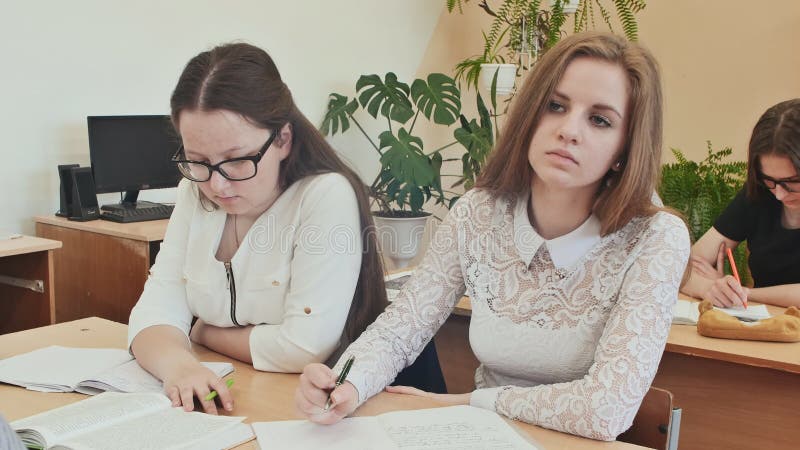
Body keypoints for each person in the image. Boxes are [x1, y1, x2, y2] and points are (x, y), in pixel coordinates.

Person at [294, 32, 690, 441]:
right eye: (556, 106)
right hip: (480, 438)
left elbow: (605, 411)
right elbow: (400, 329)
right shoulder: (478, 212)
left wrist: (473, 401)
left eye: (600, 120)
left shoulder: (656, 238)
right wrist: (347, 383)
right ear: (530, 114)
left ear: (625, 147)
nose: (569, 130)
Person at [127, 43, 388, 414]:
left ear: (282, 139)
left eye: (236, 161)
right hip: (238, 391)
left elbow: (305, 347)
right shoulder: (194, 191)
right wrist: (180, 367)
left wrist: (200, 331)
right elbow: (154, 311)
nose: (217, 186)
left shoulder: (323, 195)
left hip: (315, 408)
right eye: (198, 161)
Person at [681, 99, 800, 308]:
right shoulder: (760, 194)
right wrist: (711, 288)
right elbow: (683, 266)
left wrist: (743, 292)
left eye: (791, 183)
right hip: (760, 329)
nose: (779, 194)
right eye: (769, 180)